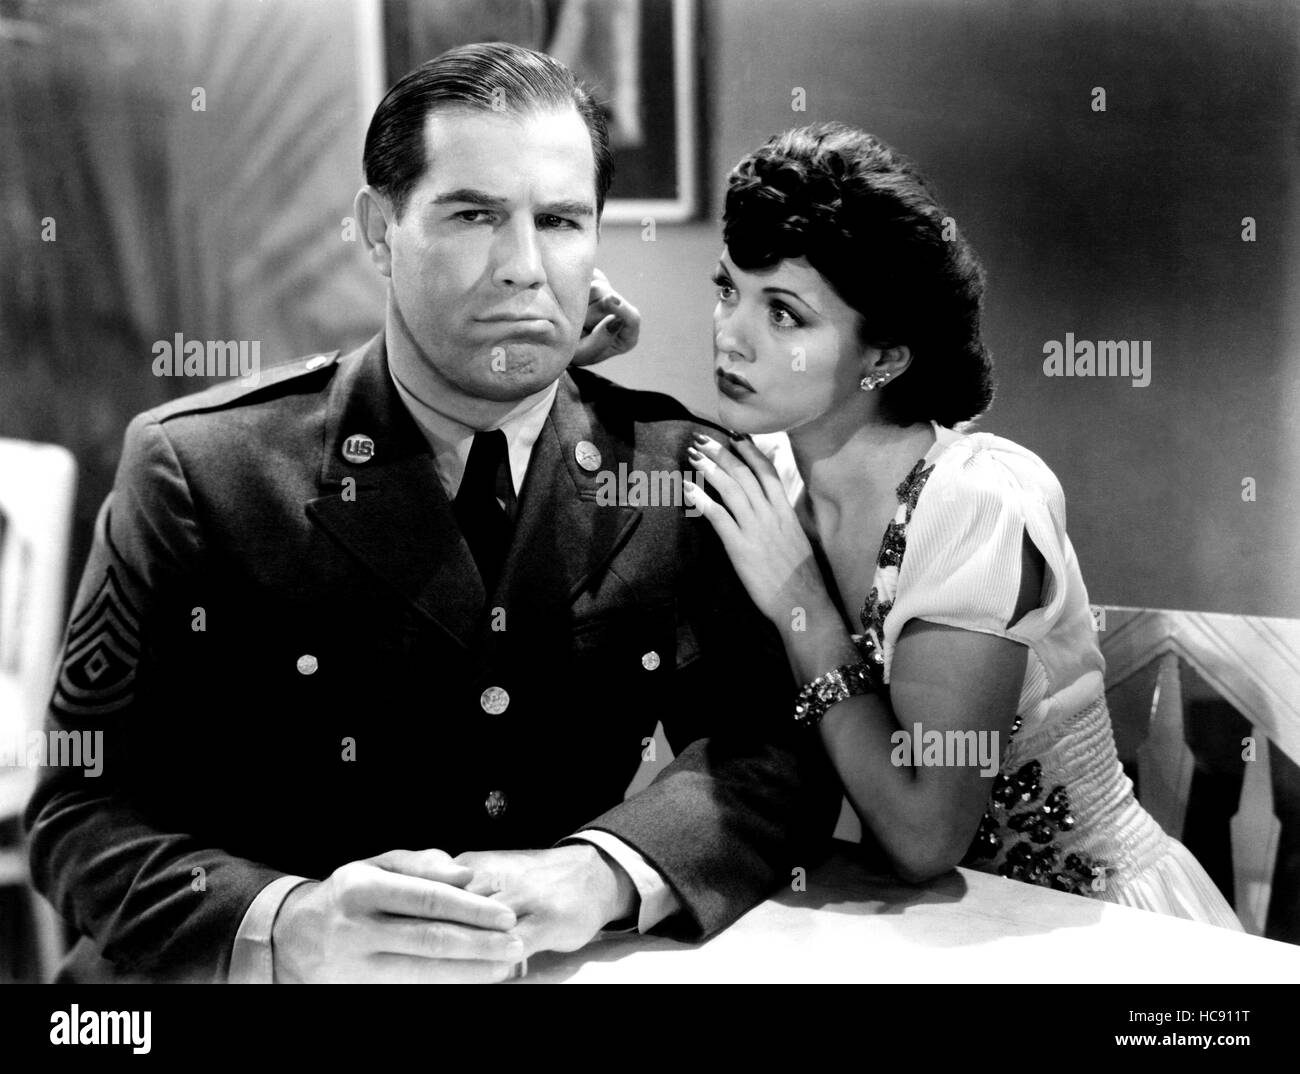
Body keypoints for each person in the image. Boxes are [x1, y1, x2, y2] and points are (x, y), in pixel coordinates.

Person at [24, 43, 840, 984]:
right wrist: (289, 922)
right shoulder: (201, 467)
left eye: (562, 221)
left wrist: (604, 873)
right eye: (473, 215)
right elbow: (78, 813)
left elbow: (774, 751)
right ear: (379, 232)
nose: (523, 268)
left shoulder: (672, 471)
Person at [679, 122, 1241, 928]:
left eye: (786, 316)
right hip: (902, 922)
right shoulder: (769, 475)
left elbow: (922, 833)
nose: (730, 335)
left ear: (885, 359)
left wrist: (799, 598)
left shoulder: (975, 504)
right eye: (729, 289)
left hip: (1080, 928)